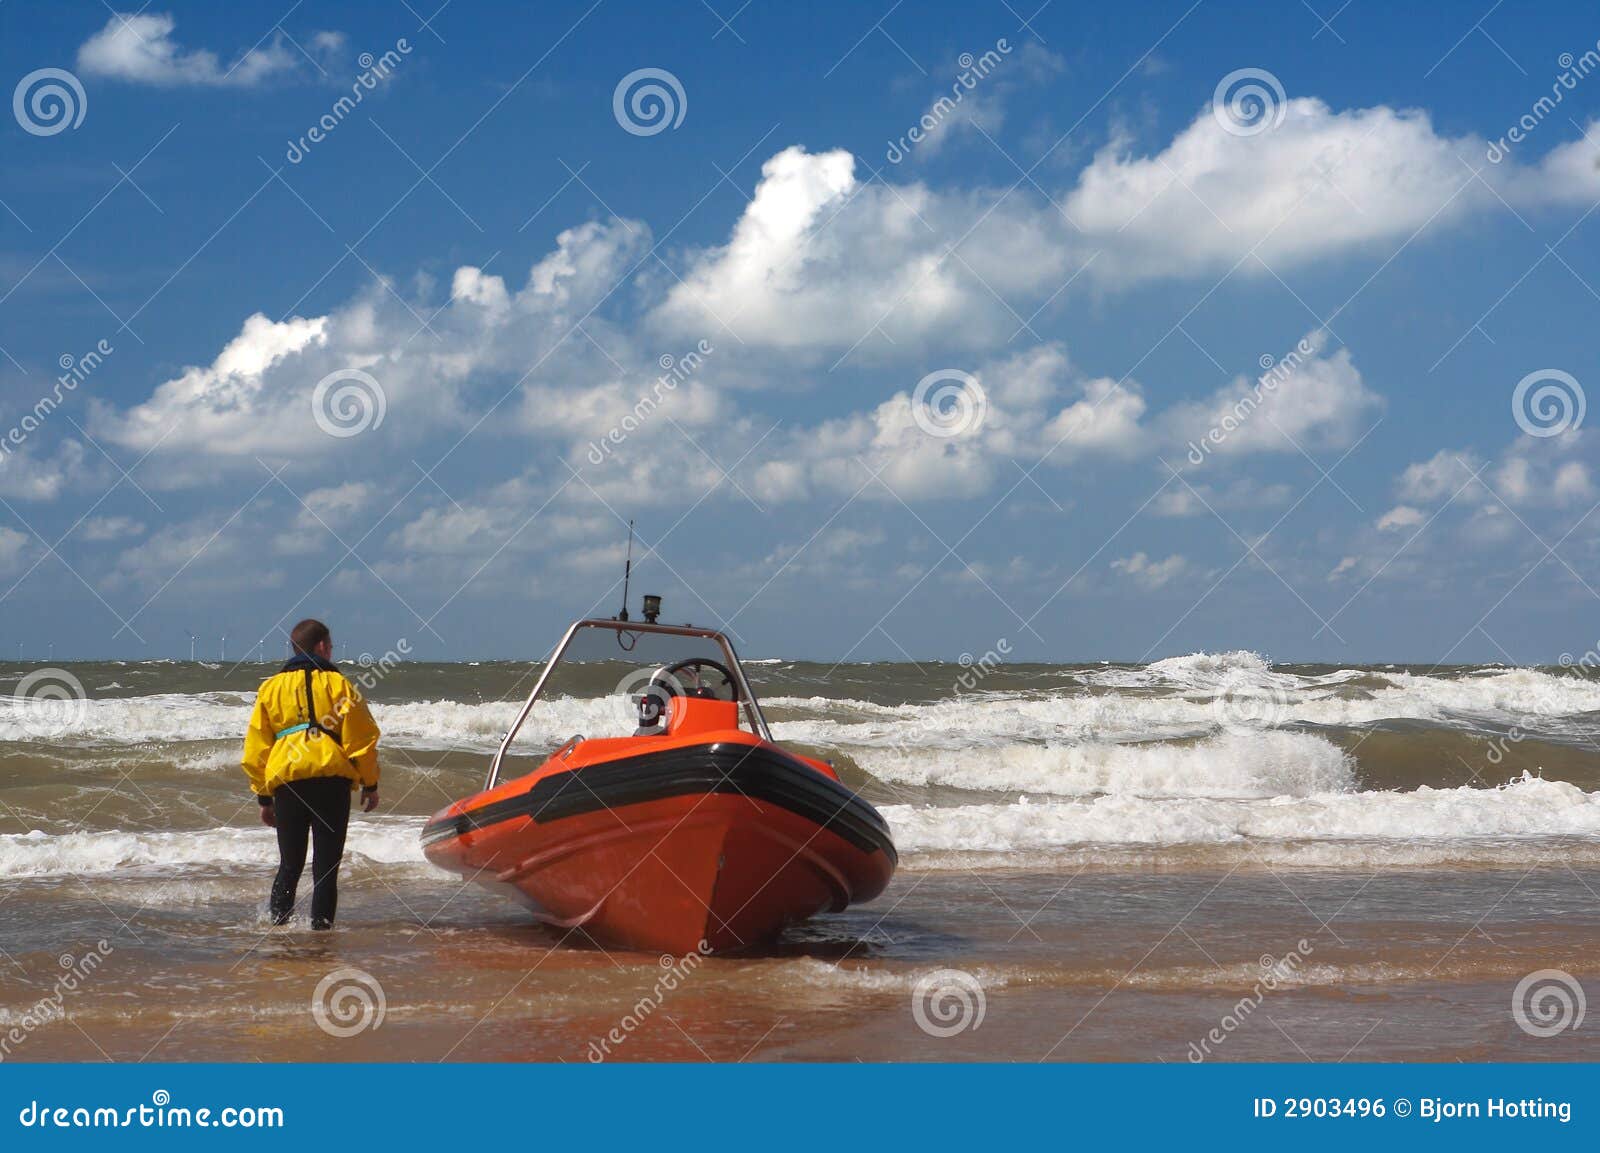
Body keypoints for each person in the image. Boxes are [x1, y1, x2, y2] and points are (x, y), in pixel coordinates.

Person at [241, 619, 381, 930]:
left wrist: (263, 797)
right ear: (320, 647)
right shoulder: (340, 685)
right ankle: (321, 933)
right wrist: (370, 785)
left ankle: (277, 928)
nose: (331, 652)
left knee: (290, 865)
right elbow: (362, 741)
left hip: (288, 784)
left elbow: (256, 750)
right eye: (330, 647)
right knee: (326, 868)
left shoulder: (270, 688)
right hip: (331, 783)